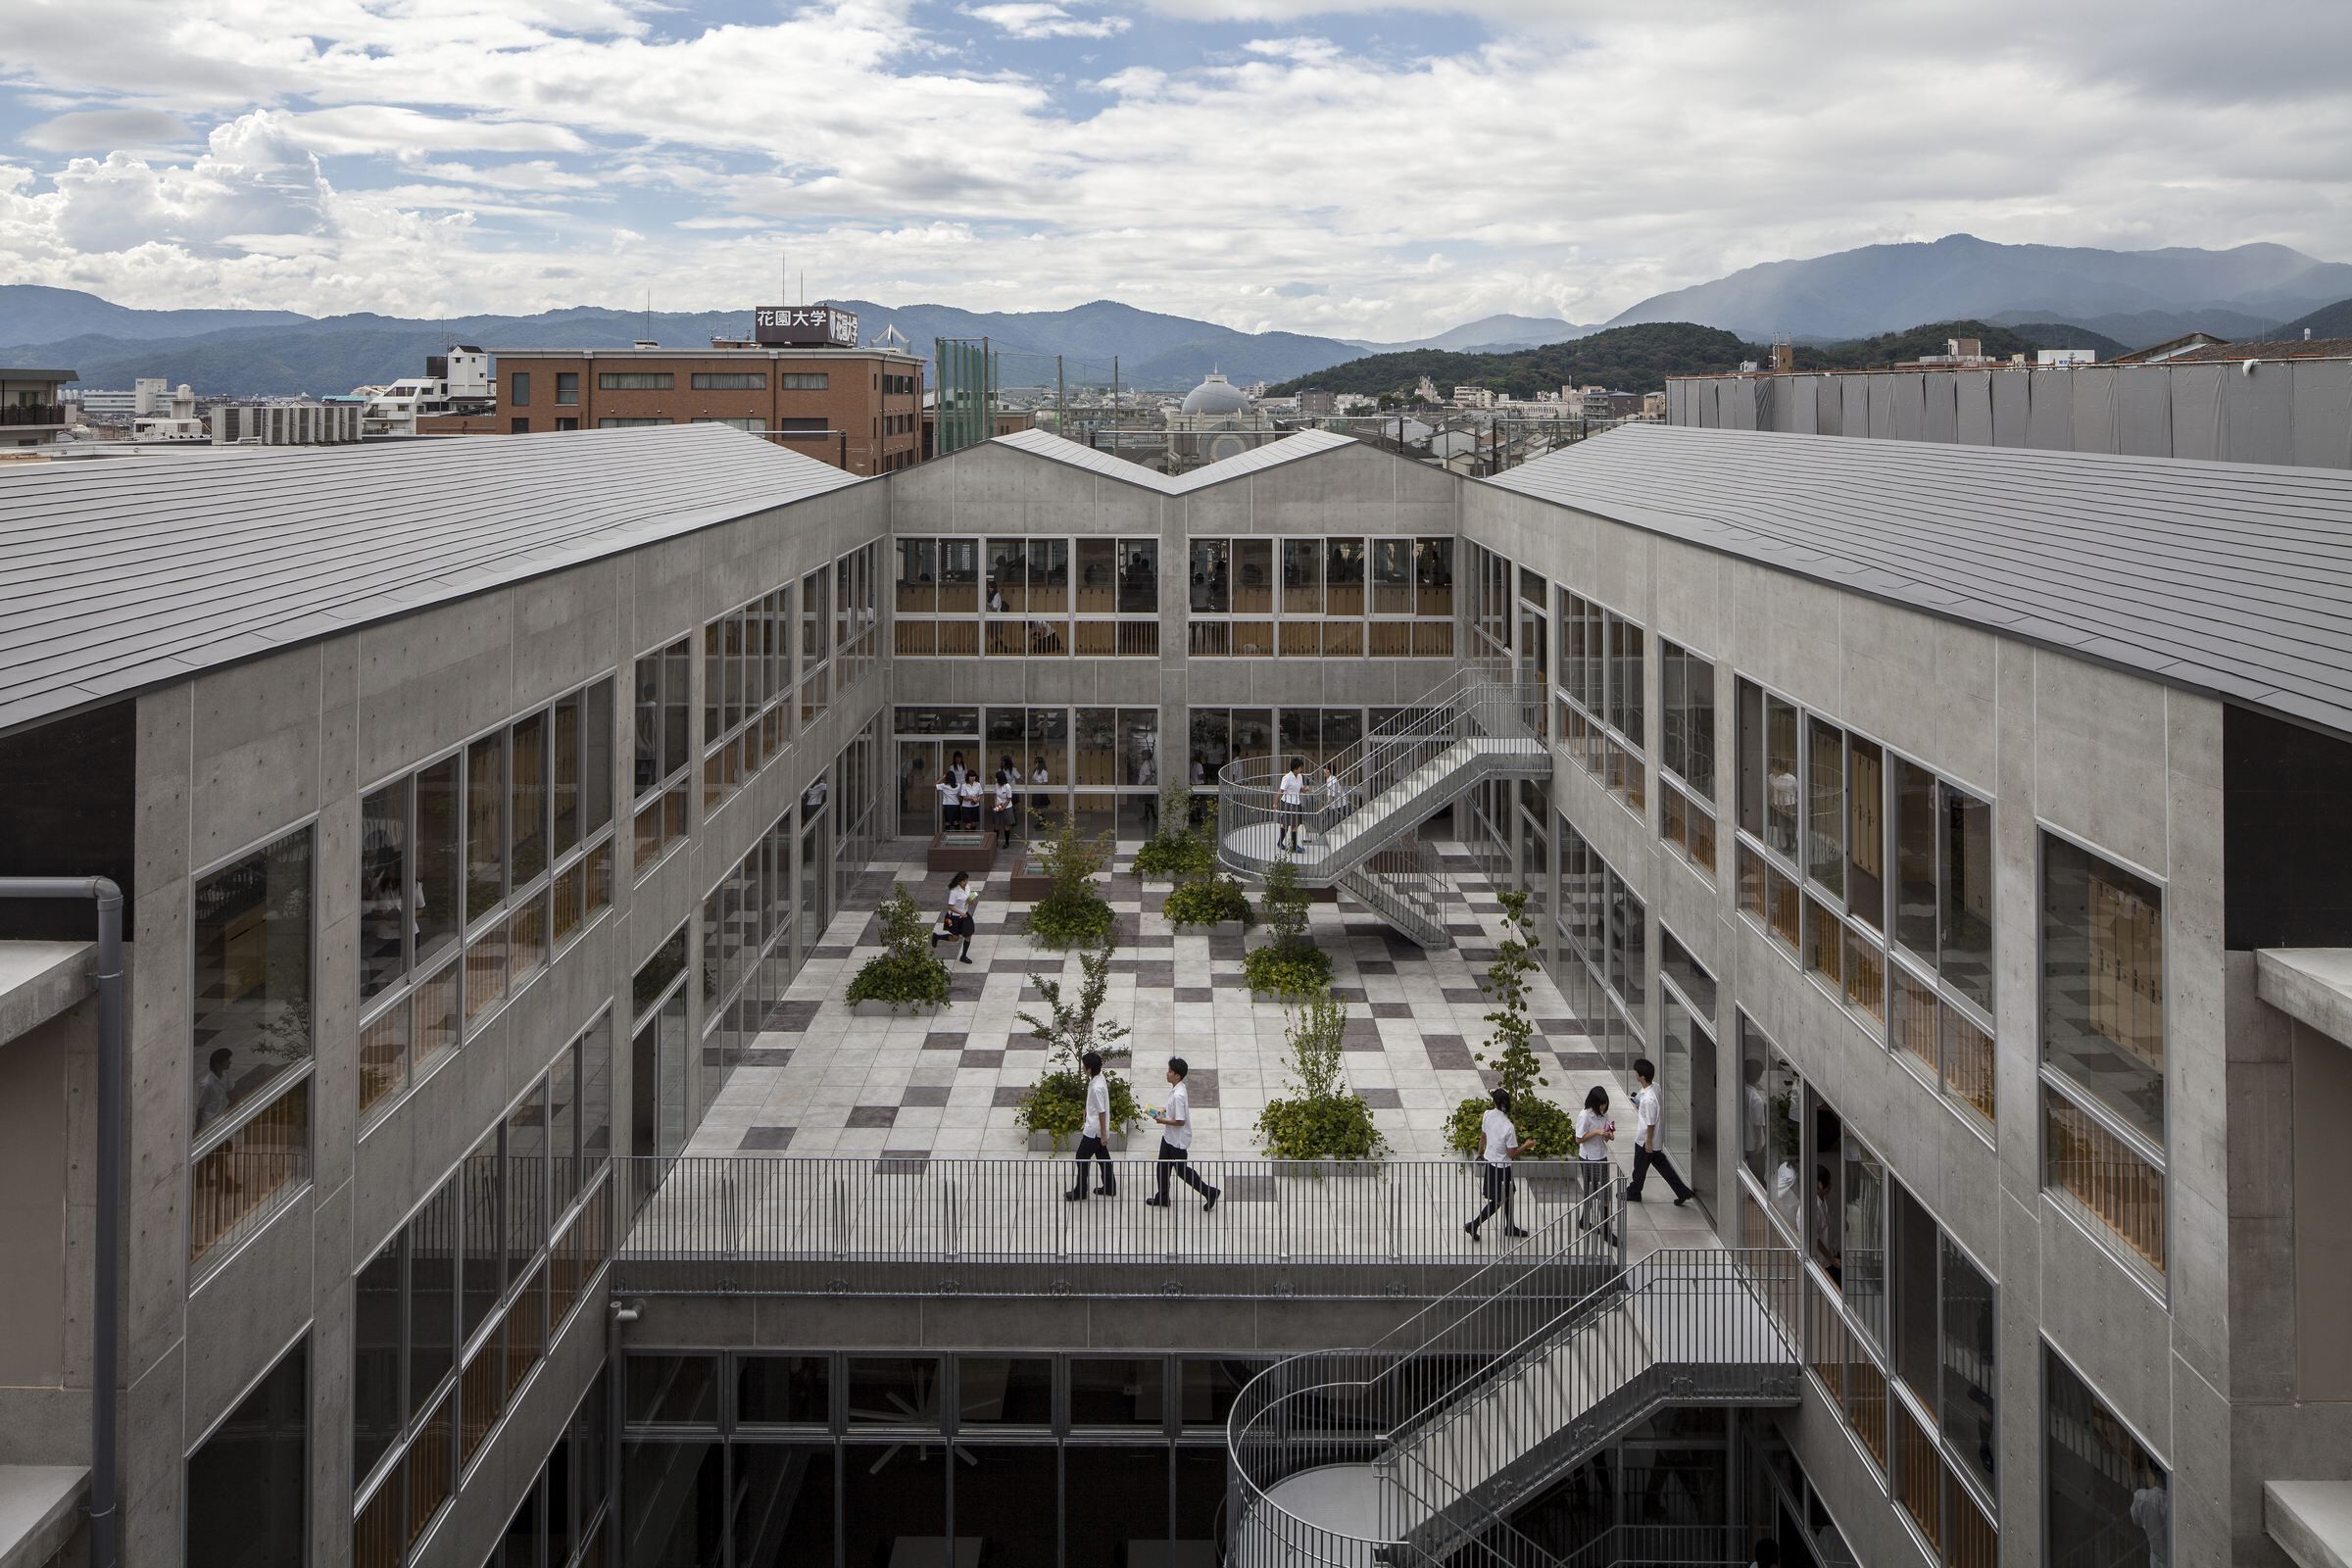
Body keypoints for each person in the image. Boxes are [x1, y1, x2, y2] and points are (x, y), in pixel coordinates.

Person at [1145, 1057, 1219, 1210]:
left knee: (1182, 1172)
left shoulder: (1178, 1095)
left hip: (1177, 1141)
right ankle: (1163, 1197)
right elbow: (1174, 1111)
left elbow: (1180, 1121)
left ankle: (1209, 1191)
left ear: (1177, 1075)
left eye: (1170, 1071)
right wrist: (1163, 1111)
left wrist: (1162, 1121)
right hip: (1169, 1138)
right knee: (1162, 1169)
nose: (1167, 1073)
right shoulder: (1178, 1089)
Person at [1626, 1057, 1695, 1206]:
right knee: (1663, 1166)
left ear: (1642, 1076)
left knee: (1639, 1167)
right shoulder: (1655, 1087)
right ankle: (1682, 1191)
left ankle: (1634, 1192)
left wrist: (1648, 1142)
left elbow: (1650, 1123)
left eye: (1636, 1073)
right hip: (1653, 1140)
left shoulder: (1649, 1099)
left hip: (1645, 1140)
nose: (1634, 1074)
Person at [1464, 1088, 1527, 1242]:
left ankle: (1510, 1226)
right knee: (1499, 1200)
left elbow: (1483, 1137)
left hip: (1490, 1162)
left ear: (1494, 1102)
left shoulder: (1488, 1115)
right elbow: (1511, 1153)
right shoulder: (1508, 1126)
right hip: (1502, 1168)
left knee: (1509, 1194)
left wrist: (1479, 1154)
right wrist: (1527, 1145)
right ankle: (1474, 1224)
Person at [1064, 1051, 1116, 1200]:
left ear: (1089, 1069)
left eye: (1084, 1066)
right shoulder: (1099, 1079)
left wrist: (1103, 1136)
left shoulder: (1096, 1088)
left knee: (1081, 1157)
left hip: (1094, 1131)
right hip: (1098, 1129)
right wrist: (1087, 1108)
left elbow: (1101, 1111)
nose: (1082, 1068)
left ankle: (1080, 1191)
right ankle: (1109, 1186)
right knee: (1103, 1157)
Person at [1575, 1085, 1619, 1249]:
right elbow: (1579, 1139)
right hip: (1588, 1158)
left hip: (1601, 1156)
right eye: (1601, 1104)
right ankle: (1586, 1220)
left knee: (1605, 1192)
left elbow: (1609, 1129)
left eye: (1605, 1104)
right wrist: (1597, 1132)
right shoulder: (1585, 1116)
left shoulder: (1604, 1114)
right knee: (1591, 1190)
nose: (1603, 1107)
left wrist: (1608, 1134)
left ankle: (1604, 1226)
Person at [932, 871, 978, 963]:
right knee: (955, 938)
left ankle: (963, 956)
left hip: (965, 914)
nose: (966, 883)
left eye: (966, 880)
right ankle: (937, 937)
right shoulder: (954, 891)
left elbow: (967, 900)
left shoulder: (967, 887)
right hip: (955, 917)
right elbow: (950, 906)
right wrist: (961, 913)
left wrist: (970, 901)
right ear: (959, 881)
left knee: (968, 935)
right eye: (964, 881)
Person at [194, 1047, 234, 1134]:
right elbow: (200, 1108)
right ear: (218, 1064)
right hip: (211, 1123)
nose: (230, 1062)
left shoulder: (226, 1075)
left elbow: (230, 1093)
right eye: (227, 1059)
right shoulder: (206, 1084)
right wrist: (198, 1128)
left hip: (224, 1118)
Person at [1813, 1165, 1840, 1283]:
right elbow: (1815, 1239)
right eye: (1827, 1183)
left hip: (1832, 1253)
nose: (1830, 1186)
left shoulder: (1822, 1200)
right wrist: (1832, 1260)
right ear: (1819, 1185)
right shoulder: (1812, 1207)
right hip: (1824, 1261)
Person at [1277, 756, 1306, 854]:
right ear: (1295, 768)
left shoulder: (1300, 777)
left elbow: (1300, 789)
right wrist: (1275, 803)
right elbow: (1280, 791)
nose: (1301, 769)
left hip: (1296, 803)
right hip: (1287, 803)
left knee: (1295, 825)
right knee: (1285, 824)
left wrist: (1305, 789)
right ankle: (1280, 842)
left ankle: (1294, 846)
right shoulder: (1287, 778)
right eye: (1300, 768)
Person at [1319, 762, 1348, 844]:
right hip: (1336, 806)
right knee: (1328, 823)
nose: (1324, 771)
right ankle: (1324, 839)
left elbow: (1331, 798)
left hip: (1339, 806)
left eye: (1326, 769)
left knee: (1328, 824)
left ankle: (1324, 840)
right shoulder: (1330, 779)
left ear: (1329, 771)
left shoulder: (1332, 781)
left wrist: (1323, 808)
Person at [931, 769, 957, 834]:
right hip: (956, 805)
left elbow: (934, 785)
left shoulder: (944, 785)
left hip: (947, 805)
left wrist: (942, 778)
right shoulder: (958, 785)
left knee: (947, 821)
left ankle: (947, 835)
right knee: (955, 821)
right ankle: (957, 835)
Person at [992, 774, 1017, 842]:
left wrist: (1004, 807)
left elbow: (1009, 798)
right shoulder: (996, 785)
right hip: (998, 806)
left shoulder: (1007, 786)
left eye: (996, 778)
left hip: (1007, 807)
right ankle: (995, 841)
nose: (995, 779)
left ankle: (1007, 842)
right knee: (996, 825)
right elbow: (995, 796)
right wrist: (996, 805)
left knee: (1006, 825)